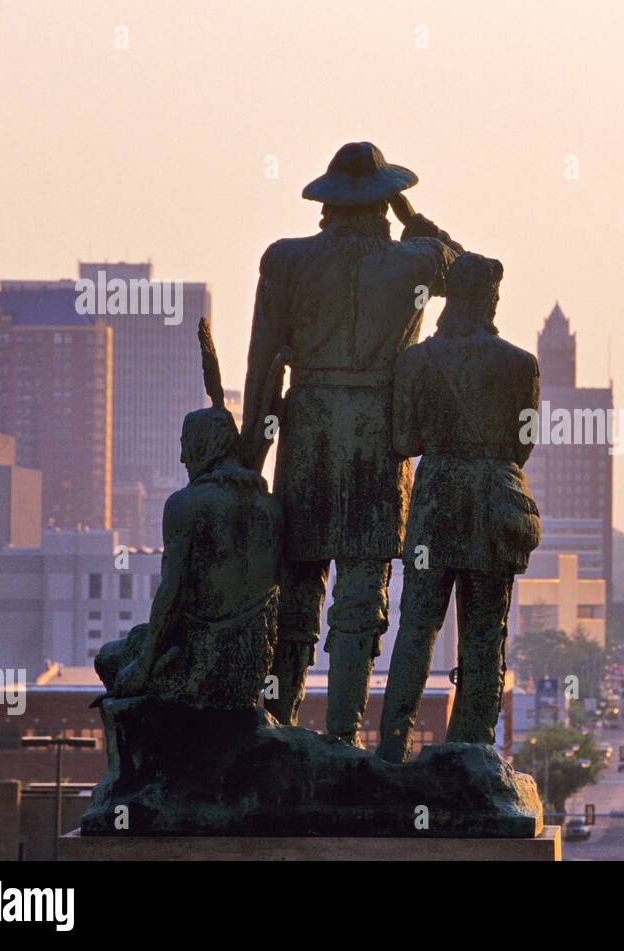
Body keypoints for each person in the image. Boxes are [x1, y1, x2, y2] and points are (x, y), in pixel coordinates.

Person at [240, 142, 463, 745]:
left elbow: (263, 369)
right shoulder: (417, 260)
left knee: (297, 583)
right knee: (362, 591)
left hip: (308, 427)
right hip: (378, 436)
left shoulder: (286, 261)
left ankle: (278, 728)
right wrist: (414, 216)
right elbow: (471, 277)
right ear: (384, 203)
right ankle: (342, 737)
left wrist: (247, 462)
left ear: (328, 204)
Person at [377, 253, 541, 763]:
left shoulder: (415, 361)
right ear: (492, 298)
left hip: (435, 501)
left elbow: (403, 439)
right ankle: (471, 748)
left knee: (417, 626)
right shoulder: (520, 364)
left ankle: (392, 747)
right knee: (485, 632)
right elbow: (523, 445)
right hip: (495, 500)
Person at [97, 320, 282, 710]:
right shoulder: (270, 507)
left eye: (186, 446)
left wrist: (144, 666)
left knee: (111, 657)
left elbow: (171, 591)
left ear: (203, 445)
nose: (182, 458)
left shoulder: (185, 505)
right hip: (254, 665)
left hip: (204, 661)